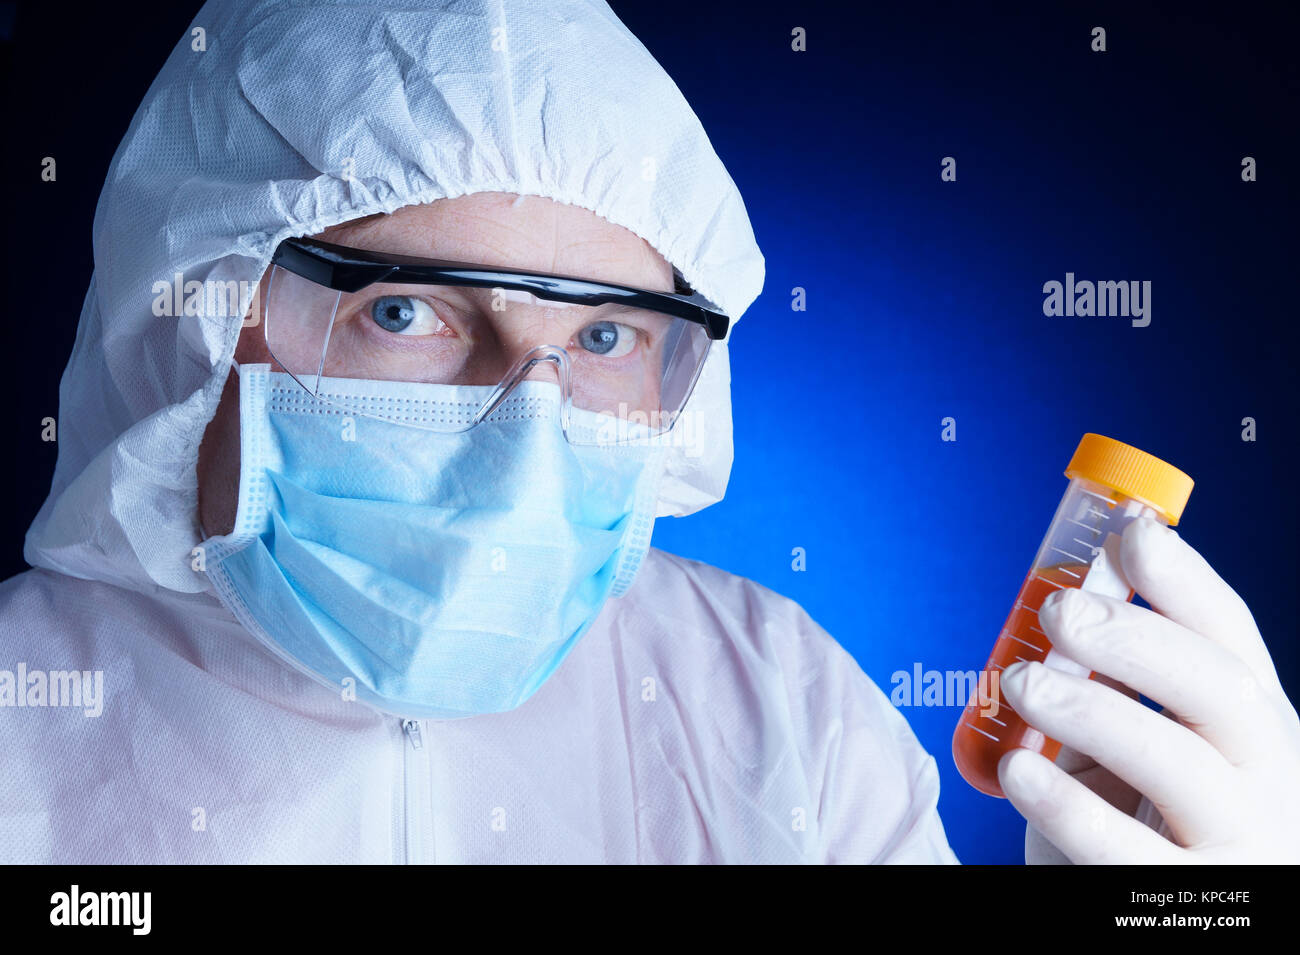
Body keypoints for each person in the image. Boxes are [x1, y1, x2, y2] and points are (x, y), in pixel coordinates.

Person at [1, 0, 1296, 865]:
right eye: (407, 311)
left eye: (608, 339)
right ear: (194, 307)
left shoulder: (773, 704)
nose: (526, 432)